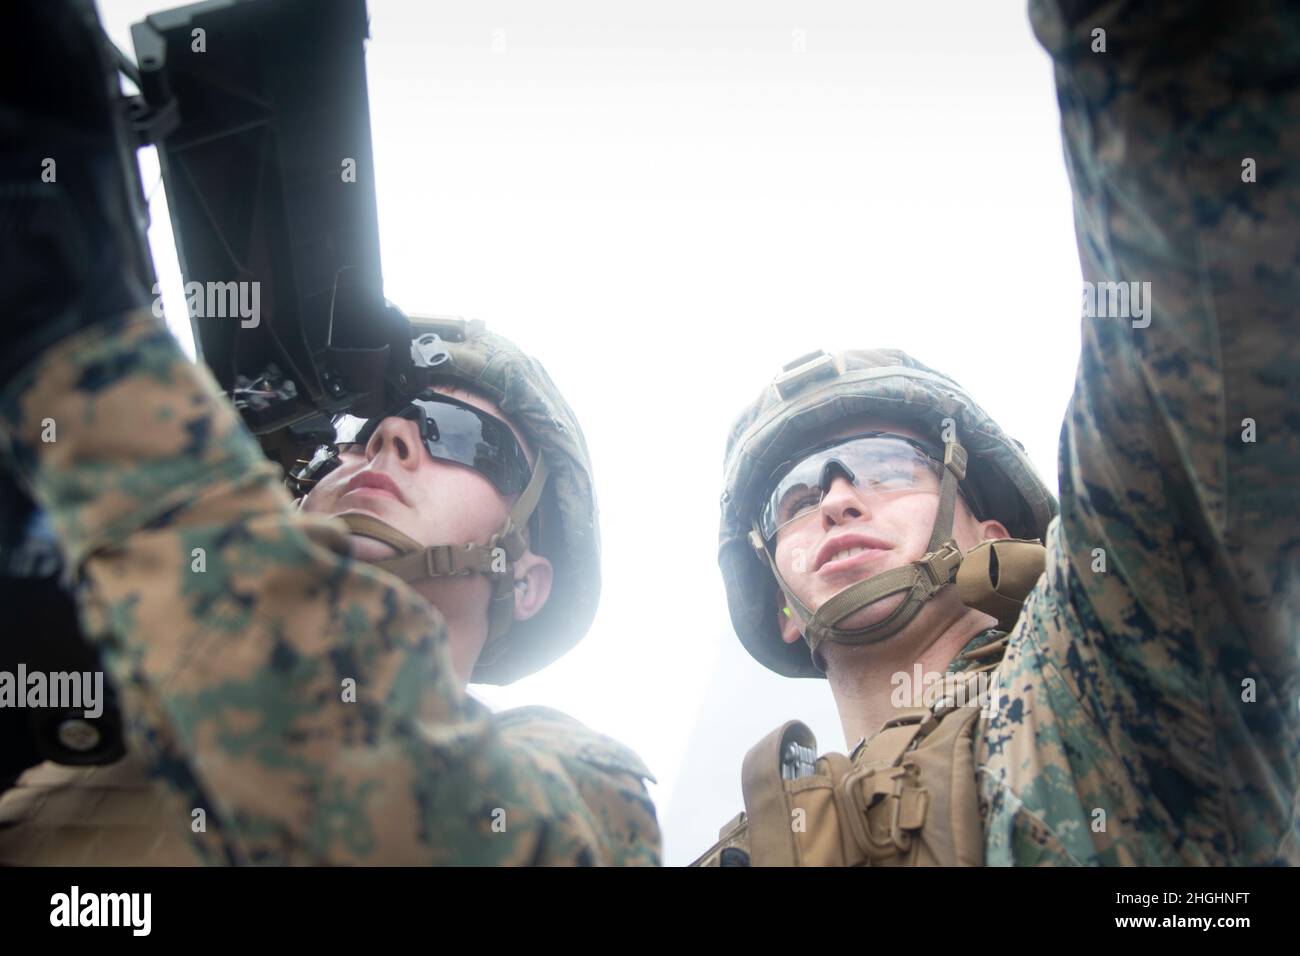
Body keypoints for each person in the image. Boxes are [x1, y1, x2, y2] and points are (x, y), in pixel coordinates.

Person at [0, 3, 659, 866]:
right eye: (355, 430)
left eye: (454, 432)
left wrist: (90, 366)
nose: (387, 440)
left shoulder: (576, 785)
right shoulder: (76, 743)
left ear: (526, 579)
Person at [693, 0, 1300, 866]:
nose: (833, 497)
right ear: (783, 611)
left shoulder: (1101, 690)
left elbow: (1188, 367)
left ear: (993, 532)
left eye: (880, 463)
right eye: (795, 496)